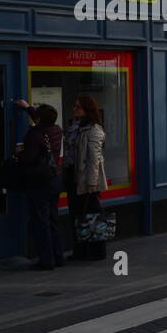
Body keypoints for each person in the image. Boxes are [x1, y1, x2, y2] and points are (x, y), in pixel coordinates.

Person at [12, 100, 66, 271]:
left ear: (39, 120)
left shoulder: (34, 134)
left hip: (39, 182)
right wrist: (28, 108)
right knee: (52, 220)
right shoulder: (56, 130)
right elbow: (42, 119)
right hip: (54, 181)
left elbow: (28, 158)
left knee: (41, 222)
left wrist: (18, 153)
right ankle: (58, 257)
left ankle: (46, 260)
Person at [68, 95, 108, 261]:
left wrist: (92, 183)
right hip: (73, 176)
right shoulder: (75, 127)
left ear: (87, 110)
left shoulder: (94, 130)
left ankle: (96, 251)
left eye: (78, 107)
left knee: (91, 216)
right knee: (78, 215)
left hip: (86, 180)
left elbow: (94, 159)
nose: (74, 109)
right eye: (74, 106)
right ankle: (80, 250)